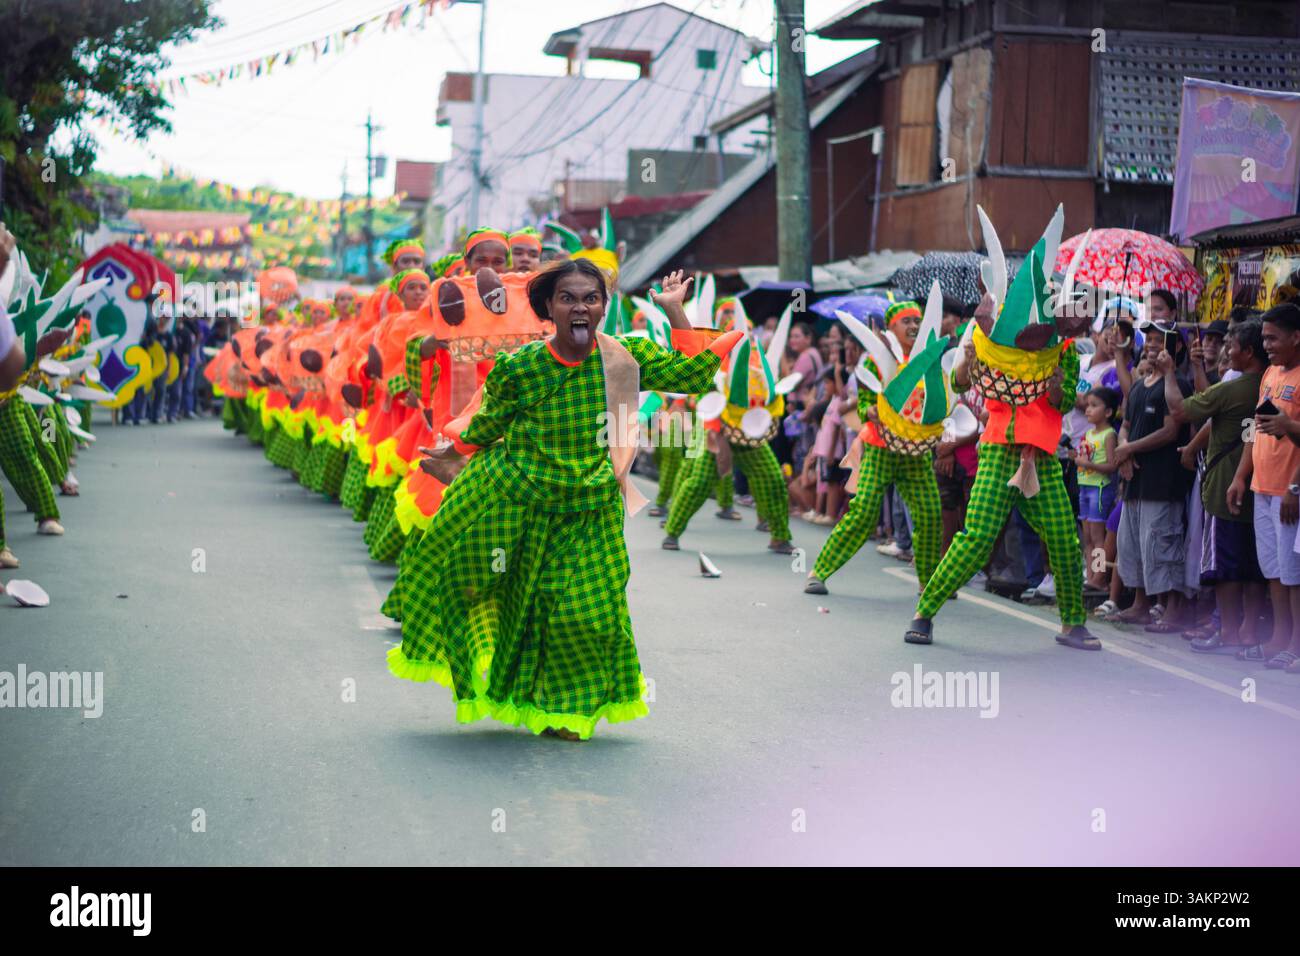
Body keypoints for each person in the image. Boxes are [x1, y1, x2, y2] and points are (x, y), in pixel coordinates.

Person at [387, 262, 742, 739]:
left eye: (590, 299)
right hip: (519, 502)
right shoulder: (521, 367)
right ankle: (536, 699)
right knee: (488, 591)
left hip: (591, 509)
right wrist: (454, 455)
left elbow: (697, 375)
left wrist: (675, 310)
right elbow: (489, 424)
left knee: (586, 613)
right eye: (568, 298)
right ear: (547, 308)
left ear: (602, 307)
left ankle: (567, 707)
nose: (580, 307)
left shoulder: (626, 357)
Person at [906, 205, 1098, 650]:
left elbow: (1066, 400)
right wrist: (969, 361)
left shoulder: (1064, 350)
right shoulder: (987, 337)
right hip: (998, 448)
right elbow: (958, 382)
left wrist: (1052, 385)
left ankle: (1073, 622)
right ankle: (924, 612)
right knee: (975, 539)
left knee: (1065, 542)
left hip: (1043, 456)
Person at [805, 287, 951, 596]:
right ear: (891, 328)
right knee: (864, 511)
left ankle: (930, 583)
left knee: (929, 514)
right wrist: (869, 409)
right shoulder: (874, 361)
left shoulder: (929, 363)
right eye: (906, 321)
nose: (913, 325)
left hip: (916, 454)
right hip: (880, 449)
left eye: (917, 320)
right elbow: (861, 405)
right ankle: (819, 571)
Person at [1164, 320, 1267, 652]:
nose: (1225, 350)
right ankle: (1248, 632)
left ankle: (1228, 633)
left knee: (1223, 568)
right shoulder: (1267, 384)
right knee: (1253, 568)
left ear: (1248, 352)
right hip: (1258, 487)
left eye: (1231, 345)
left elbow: (1180, 410)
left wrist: (1169, 370)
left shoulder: (1233, 388)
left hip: (1226, 487)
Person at [1227, 303, 1300, 671]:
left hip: (1290, 492)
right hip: (1262, 487)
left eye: (1273, 337)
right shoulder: (1270, 373)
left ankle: (1295, 644)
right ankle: (1279, 639)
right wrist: (1242, 476)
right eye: (1265, 338)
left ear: (1296, 336)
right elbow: (1253, 428)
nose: (1266, 344)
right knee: (1274, 569)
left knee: (1293, 573)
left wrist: (1295, 489)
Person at [1112, 328, 1195, 632]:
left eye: (1159, 341)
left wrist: (1129, 448)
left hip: (1163, 480)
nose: (1151, 345)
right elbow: (1126, 424)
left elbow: (1171, 431)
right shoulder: (1138, 386)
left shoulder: (1178, 385)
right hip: (1135, 479)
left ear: (1175, 348)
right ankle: (1140, 604)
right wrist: (1124, 450)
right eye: (1149, 340)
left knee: (1162, 542)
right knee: (1132, 543)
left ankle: (1173, 610)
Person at [1074, 387, 1120, 591]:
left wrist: (1089, 465)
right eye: (1087, 405)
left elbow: (1112, 466)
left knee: (1098, 536)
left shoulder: (1109, 434)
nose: (1088, 410)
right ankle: (1091, 576)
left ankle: (1099, 577)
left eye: (1094, 406)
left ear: (1108, 412)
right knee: (1088, 536)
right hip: (1085, 486)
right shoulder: (1088, 434)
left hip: (1100, 488)